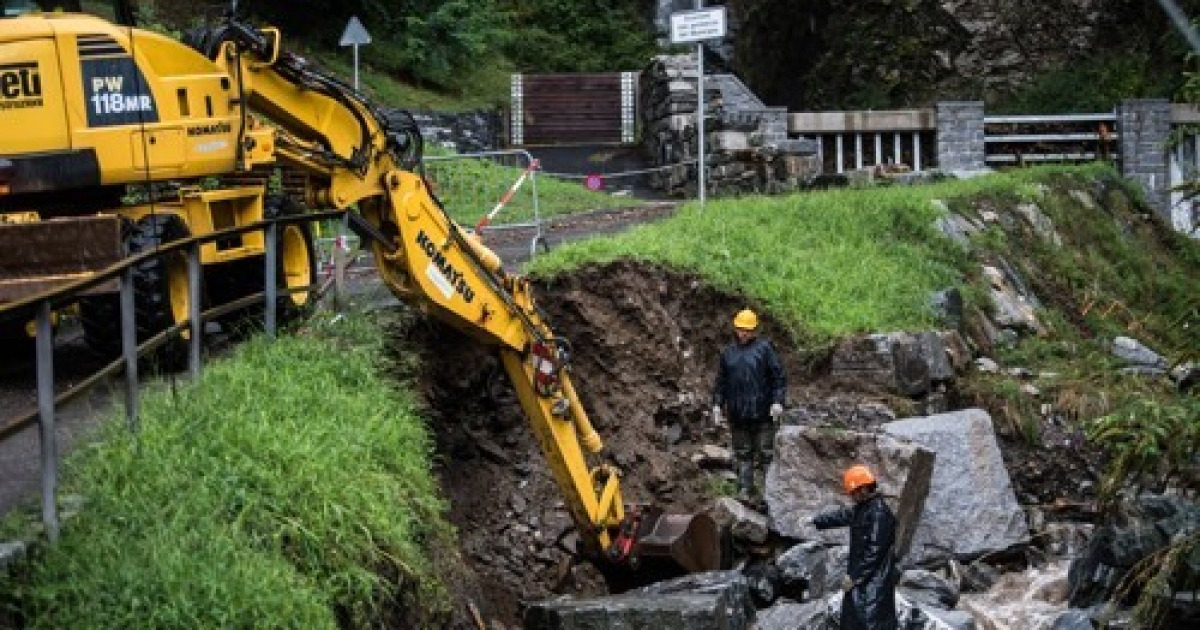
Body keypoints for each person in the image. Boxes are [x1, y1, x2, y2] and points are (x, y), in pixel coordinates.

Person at [711, 308, 786, 502]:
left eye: (747, 330)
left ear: (754, 330)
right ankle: (745, 490)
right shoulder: (728, 353)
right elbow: (721, 382)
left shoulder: (765, 350)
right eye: (740, 329)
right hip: (738, 414)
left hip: (763, 413)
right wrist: (717, 404)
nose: (743, 333)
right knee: (743, 453)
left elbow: (778, 377)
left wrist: (777, 401)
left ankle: (769, 496)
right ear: (735, 328)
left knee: (766, 454)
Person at [811, 465, 899, 630]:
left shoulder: (879, 513)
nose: (852, 497)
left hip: (874, 583)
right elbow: (842, 515)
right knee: (857, 620)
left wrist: (855, 577)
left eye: (853, 492)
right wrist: (816, 520)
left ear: (863, 489)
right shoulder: (865, 508)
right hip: (866, 580)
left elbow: (874, 552)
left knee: (869, 622)